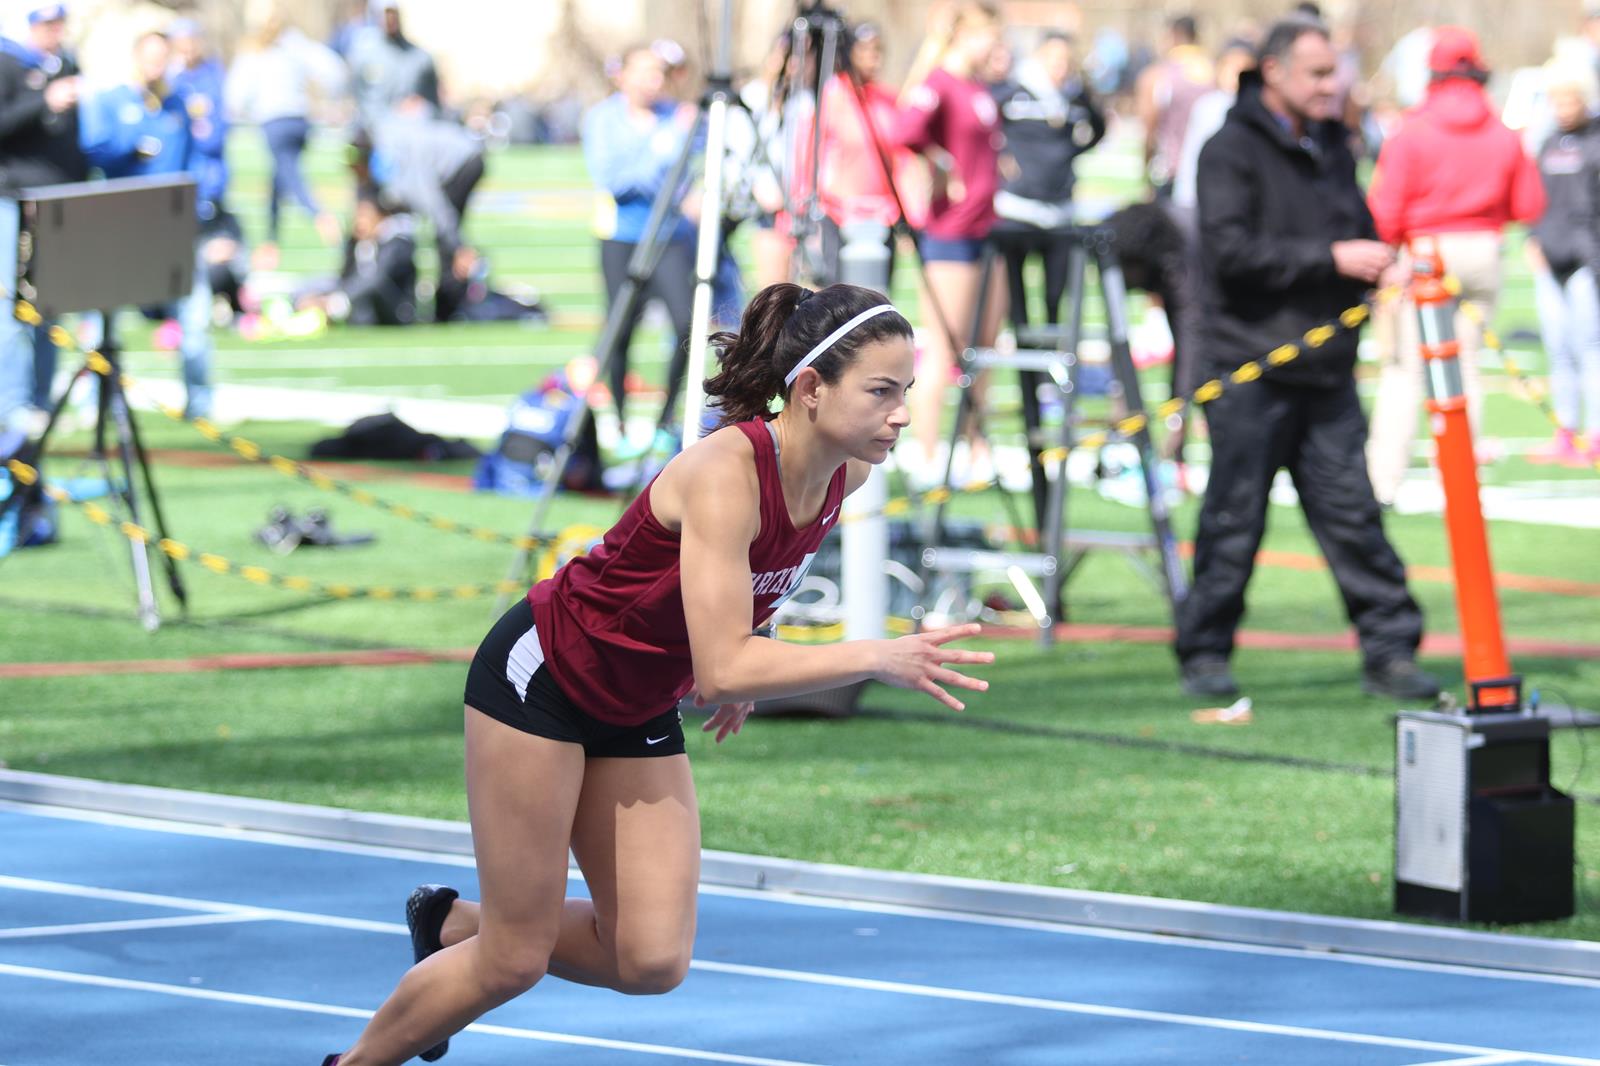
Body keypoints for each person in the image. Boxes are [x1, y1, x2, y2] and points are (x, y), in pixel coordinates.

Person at [313, 282, 995, 1066]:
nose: (902, 413)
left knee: (650, 960)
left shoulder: (847, 474)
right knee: (513, 960)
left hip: (634, 702)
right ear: (810, 388)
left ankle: (449, 924)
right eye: (882, 391)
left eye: (907, 391)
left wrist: (755, 643)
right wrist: (873, 653)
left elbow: (759, 591)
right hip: (544, 681)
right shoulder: (723, 473)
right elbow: (722, 666)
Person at [1175, 17, 1437, 702]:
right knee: (1233, 520)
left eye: (1335, 71)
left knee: (1355, 518)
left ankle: (1391, 651)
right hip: (1248, 369)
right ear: (1275, 74)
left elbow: (1355, 226)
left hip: (1325, 370)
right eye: (1318, 73)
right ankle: (1204, 652)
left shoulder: (1331, 141)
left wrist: (1376, 260)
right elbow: (1230, 255)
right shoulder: (1228, 149)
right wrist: (1331, 259)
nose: (1333, 85)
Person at [1364, 26, 1545, 507]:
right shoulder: (1501, 129)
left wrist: (1386, 254)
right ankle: (1460, 480)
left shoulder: (1413, 128)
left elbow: (1387, 205)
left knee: (1404, 369)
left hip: (1425, 251)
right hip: (1484, 248)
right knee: (1465, 367)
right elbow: (1529, 201)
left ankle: (1384, 480)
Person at [892, 0, 1008, 480]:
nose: (995, 47)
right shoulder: (938, 82)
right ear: (964, 34)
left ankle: (975, 441)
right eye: (988, 36)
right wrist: (940, 163)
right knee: (944, 344)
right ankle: (927, 448)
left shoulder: (976, 87)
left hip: (988, 228)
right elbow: (904, 131)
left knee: (985, 345)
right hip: (950, 232)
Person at [80, 31, 215, 420]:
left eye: (163, 58)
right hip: (122, 224)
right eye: (150, 57)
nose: (156, 66)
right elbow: (96, 151)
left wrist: (198, 205)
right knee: (102, 319)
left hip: (171, 224)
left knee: (194, 317)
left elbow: (193, 161)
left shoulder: (177, 105)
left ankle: (201, 403)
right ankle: (97, 403)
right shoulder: (114, 101)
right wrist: (132, 147)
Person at [581, 44, 696, 429]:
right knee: (620, 328)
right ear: (621, 74)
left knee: (685, 322)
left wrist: (660, 170)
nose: (653, 80)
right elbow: (612, 180)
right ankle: (619, 419)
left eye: (659, 72)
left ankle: (666, 419)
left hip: (669, 237)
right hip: (621, 236)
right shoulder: (603, 118)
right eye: (644, 70)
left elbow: (689, 173)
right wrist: (660, 157)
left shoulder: (676, 117)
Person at [0, 2, 84, 436]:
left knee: (51, 307)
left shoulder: (67, 62)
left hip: (59, 198)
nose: (54, 32)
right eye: (45, 24)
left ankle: (41, 400)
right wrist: (42, 102)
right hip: (12, 197)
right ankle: (10, 403)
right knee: (10, 308)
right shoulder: (6, 60)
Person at [989, 31, 1106, 326]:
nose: (1060, 66)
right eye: (1054, 59)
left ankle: (1052, 368)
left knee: (1056, 299)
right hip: (1017, 209)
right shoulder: (1014, 92)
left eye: (1066, 60)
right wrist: (1001, 154)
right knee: (1019, 307)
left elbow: (1099, 127)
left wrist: (1072, 152)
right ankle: (1026, 372)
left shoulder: (1075, 97)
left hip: (1061, 211)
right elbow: (983, 121)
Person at [224, 3, 347, 265]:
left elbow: (236, 93)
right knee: (278, 179)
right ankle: (270, 244)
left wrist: (244, 111)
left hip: (274, 122)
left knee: (290, 175)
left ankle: (319, 214)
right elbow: (331, 69)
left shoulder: (256, 51)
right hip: (300, 120)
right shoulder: (296, 45)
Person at [1527, 58, 1600, 464]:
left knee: (1591, 346)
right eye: (1555, 100)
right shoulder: (1549, 141)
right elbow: (1536, 199)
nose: (1562, 107)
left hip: (1588, 261)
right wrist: (1533, 238)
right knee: (1558, 347)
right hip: (1550, 259)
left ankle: (1597, 433)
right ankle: (1566, 431)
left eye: (1568, 99)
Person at [365, 93, 485, 319]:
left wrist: (457, 243)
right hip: (461, 156)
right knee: (443, 237)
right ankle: (444, 304)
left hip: (462, 162)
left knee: (445, 240)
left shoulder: (396, 151)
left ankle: (448, 308)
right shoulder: (389, 137)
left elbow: (433, 203)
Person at [815, 21, 911, 285]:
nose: (872, 58)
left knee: (878, 294)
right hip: (839, 212)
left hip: (883, 212)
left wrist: (909, 212)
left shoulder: (888, 100)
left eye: (877, 51)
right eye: (865, 50)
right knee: (836, 293)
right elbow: (812, 154)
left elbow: (900, 158)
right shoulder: (832, 96)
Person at [1135, 14, 1213, 198]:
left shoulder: (1159, 75)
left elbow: (1149, 124)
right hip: (1211, 168)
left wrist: (1145, 167)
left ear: (1172, 36)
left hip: (1171, 170)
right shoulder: (1216, 72)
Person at [346, 0, 437, 132]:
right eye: (385, 14)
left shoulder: (419, 58)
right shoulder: (363, 54)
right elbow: (355, 94)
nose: (390, 19)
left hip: (409, 131)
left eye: (393, 14)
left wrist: (421, 106)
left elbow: (432, 101)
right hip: (374, 131)